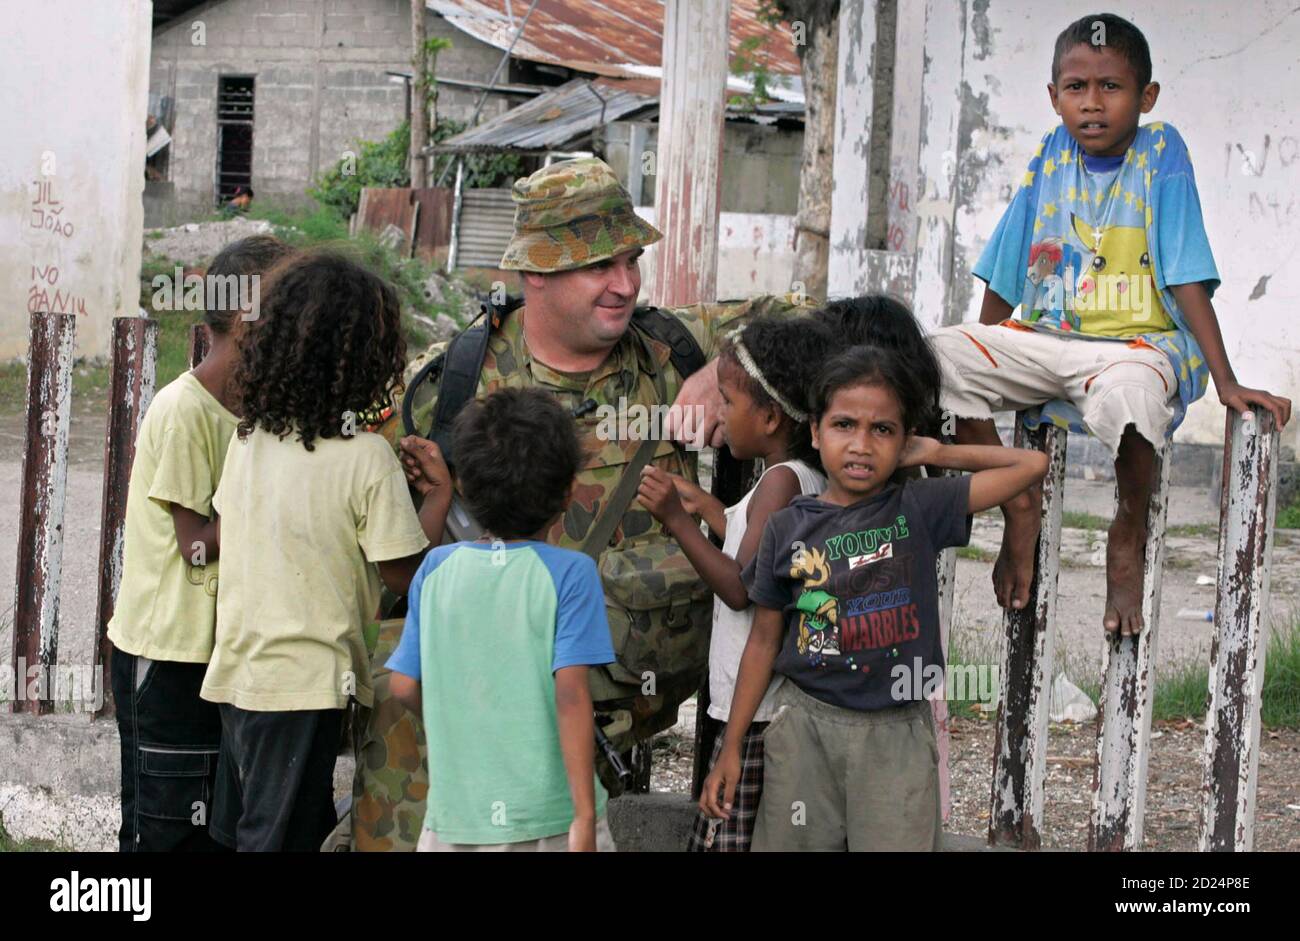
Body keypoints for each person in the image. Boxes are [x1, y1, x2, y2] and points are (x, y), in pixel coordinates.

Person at [355, 156, 817, 848]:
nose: (625, 283)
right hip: (498, 678)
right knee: (389, 661)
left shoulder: (675, 350)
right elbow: (358, 479)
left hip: (633, 674)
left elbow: (818, 318)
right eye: (599, 265)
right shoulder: (453, 380)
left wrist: (724, 365)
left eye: (631, 260)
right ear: (535, 273)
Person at [930, 13, 1291, 635]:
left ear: (1146, 97)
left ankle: (1127, 527)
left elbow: (1184, 271)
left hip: (1134, 348)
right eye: (1076, 88)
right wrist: (981, 352)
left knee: (1133, 398)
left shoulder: (1161, 152)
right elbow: (1009, 263)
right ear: (1054, 98)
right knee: (932, 353)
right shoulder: (1049, 154)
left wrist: (1226, 381)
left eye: (1111, 88)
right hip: (1045, 340)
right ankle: (1017, 497)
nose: (1091, 104)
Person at [701, 345, 1048, 850]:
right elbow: (763, 643)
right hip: (804, 732)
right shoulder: (787, 527)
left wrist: (937, 453)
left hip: (896, 736)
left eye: (882, 430)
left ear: (904, 440)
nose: (861, 444)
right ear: (815, 431)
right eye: (844, 425)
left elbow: (1031, 464)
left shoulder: (918, 507)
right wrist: (731, 747)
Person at [201, 251, 446, 851]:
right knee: (277, 838)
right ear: (366, 358)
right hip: (305, 684)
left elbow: (237, 533)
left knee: (265, 827)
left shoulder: (249, 440)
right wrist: (438, 494)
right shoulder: (367, 458)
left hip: (239, 674)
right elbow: (405, 577)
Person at [108, 235, 293, 852]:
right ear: (245, 319)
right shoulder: (184, 410)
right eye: (288, 304)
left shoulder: (256, 411)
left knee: (212, 827)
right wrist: (285, 510)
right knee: (163, 831)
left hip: (220, 655)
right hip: (169, 657)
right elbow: (195, 544)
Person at [386, 388, 618, 852]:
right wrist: (584, 818)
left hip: (455, 818)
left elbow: (403, 686)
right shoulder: (570, 575)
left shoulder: (436, 569)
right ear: (569, 492)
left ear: (467, 487)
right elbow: (571, 695)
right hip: (548, 817)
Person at [634, 316, 831, 851]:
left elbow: (743, 586)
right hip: (770, 707)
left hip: (758, 711)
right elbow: (763, 551)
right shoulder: (802, 478)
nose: (718, 412)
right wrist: (709, 509)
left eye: (726, 401)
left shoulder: (779, 481)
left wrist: (678, 520)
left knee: (726, 836)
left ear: (769, 417)